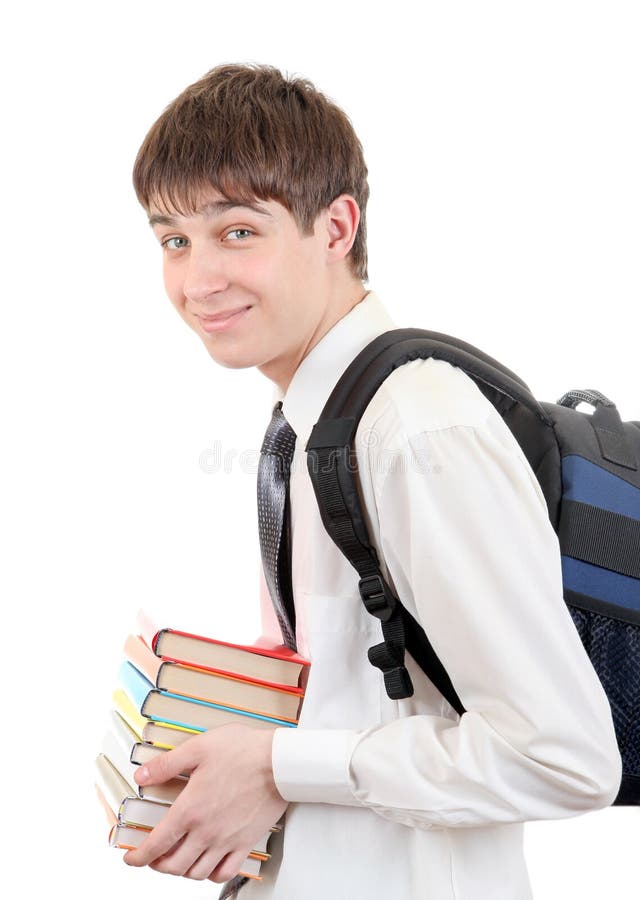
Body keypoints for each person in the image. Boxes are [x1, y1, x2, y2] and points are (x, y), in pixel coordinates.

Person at [123, 63, 622, 899]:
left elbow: (563, 755)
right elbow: (362, 697)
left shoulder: (418, 426)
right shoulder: (305, 419)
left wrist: (282, 764)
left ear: (336, 226)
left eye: (237, 231)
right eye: (173, 239)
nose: (197, 280)